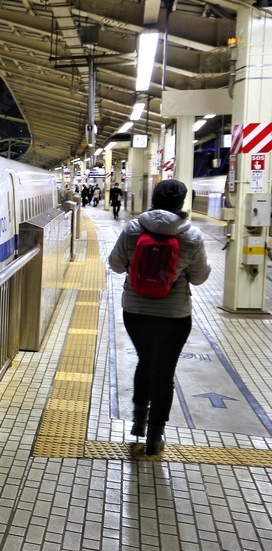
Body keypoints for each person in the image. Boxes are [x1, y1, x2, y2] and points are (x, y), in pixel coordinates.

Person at [108, 180, 211, 455]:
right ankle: (155, 437)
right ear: (182, 203)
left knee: (146, 361)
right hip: (174, 315)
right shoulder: (192, 236)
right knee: (164, 372)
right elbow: (199, 278)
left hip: (136, 312)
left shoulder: (133, 229)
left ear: (154, 198)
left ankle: (138, 422)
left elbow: (115, 265)